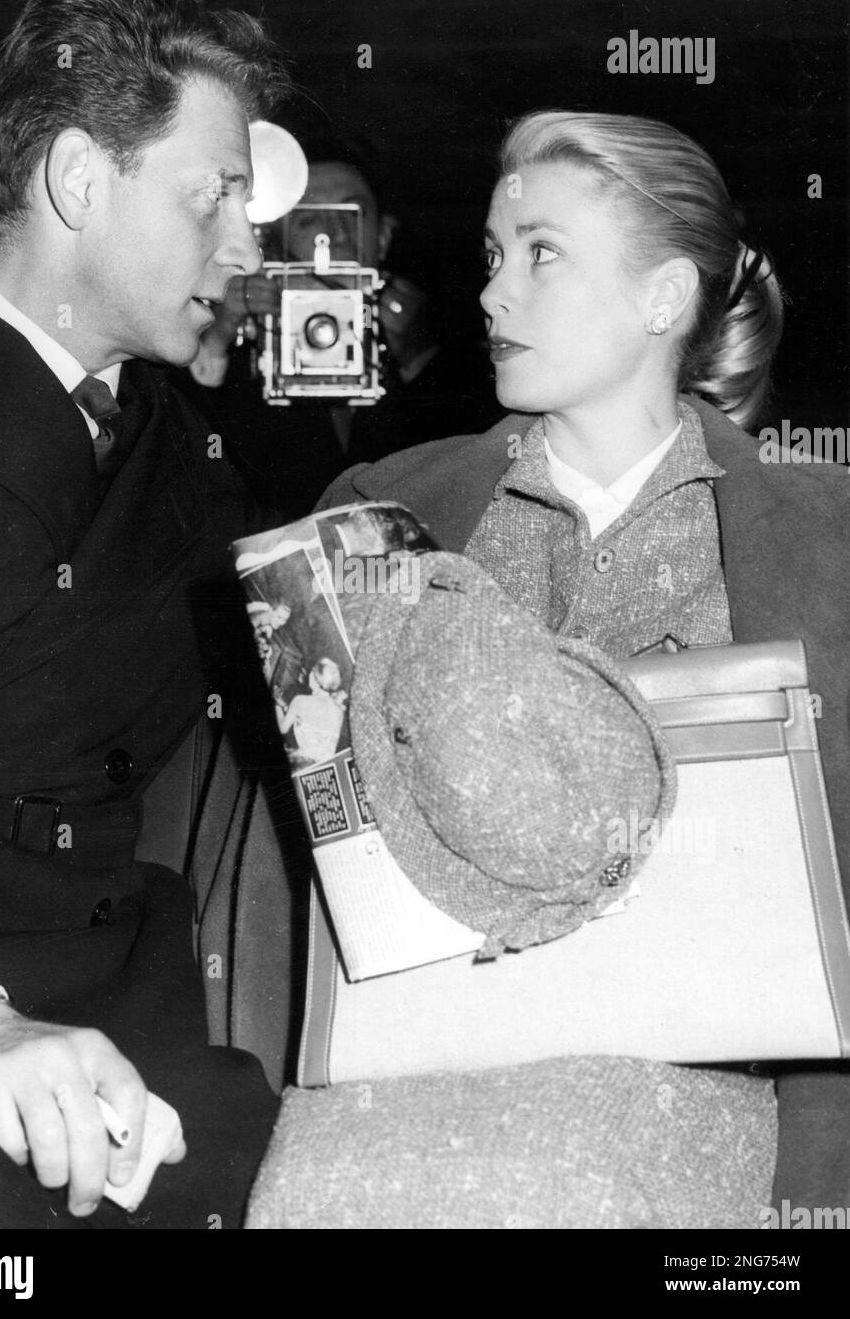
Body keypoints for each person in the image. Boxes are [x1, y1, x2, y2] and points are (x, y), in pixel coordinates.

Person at [308, 109, 850, 1224]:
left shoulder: (828, 543)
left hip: (713, 1144)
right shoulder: (373, 517)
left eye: (541, 254)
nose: (493, 294)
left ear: (664, 298)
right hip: (402, 1128)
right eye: (493, 258)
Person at [0, 0, 291, 1229]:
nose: (246, 245)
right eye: (212, 195)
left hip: (126, 1020)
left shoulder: (183, 455)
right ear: (76, 179)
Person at [186, 138, 497, 517]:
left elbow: (466, 473)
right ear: (271, 244)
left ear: (381, 236)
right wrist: (216, 341)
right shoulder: (242, 338)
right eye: (309, 219)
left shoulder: (420, 336)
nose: (333, 233)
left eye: (352, 212)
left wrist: (420, 359)